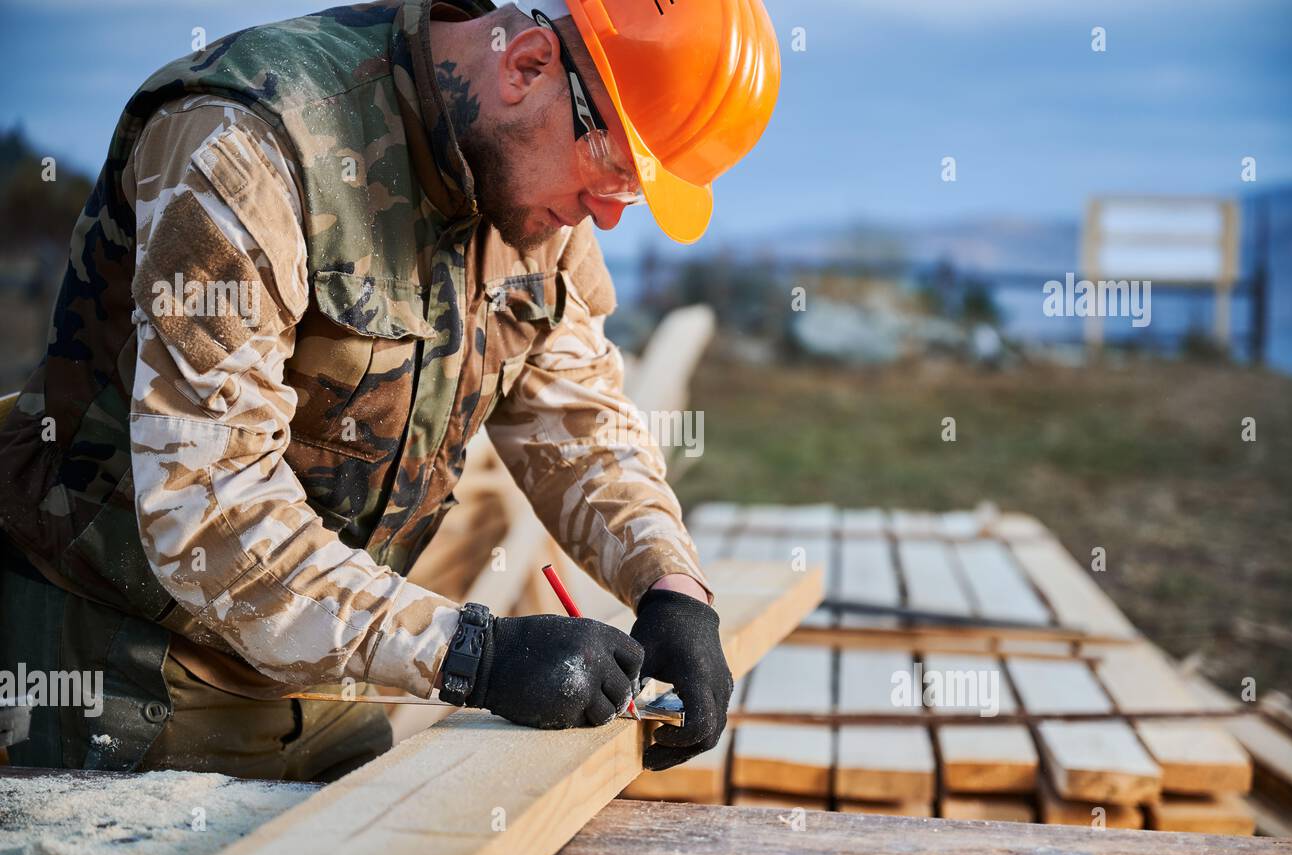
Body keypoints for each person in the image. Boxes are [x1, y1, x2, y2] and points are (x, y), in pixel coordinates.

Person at [0, 0, 780, 781]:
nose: (609, 216)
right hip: (117, 671)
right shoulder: (247, 146)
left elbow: (575, 417)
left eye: (635, 192)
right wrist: (473, 654)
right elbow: (208, 503)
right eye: (614, 170)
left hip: (327, 664)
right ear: (529, 66)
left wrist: (670, 584)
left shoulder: (534, 186)